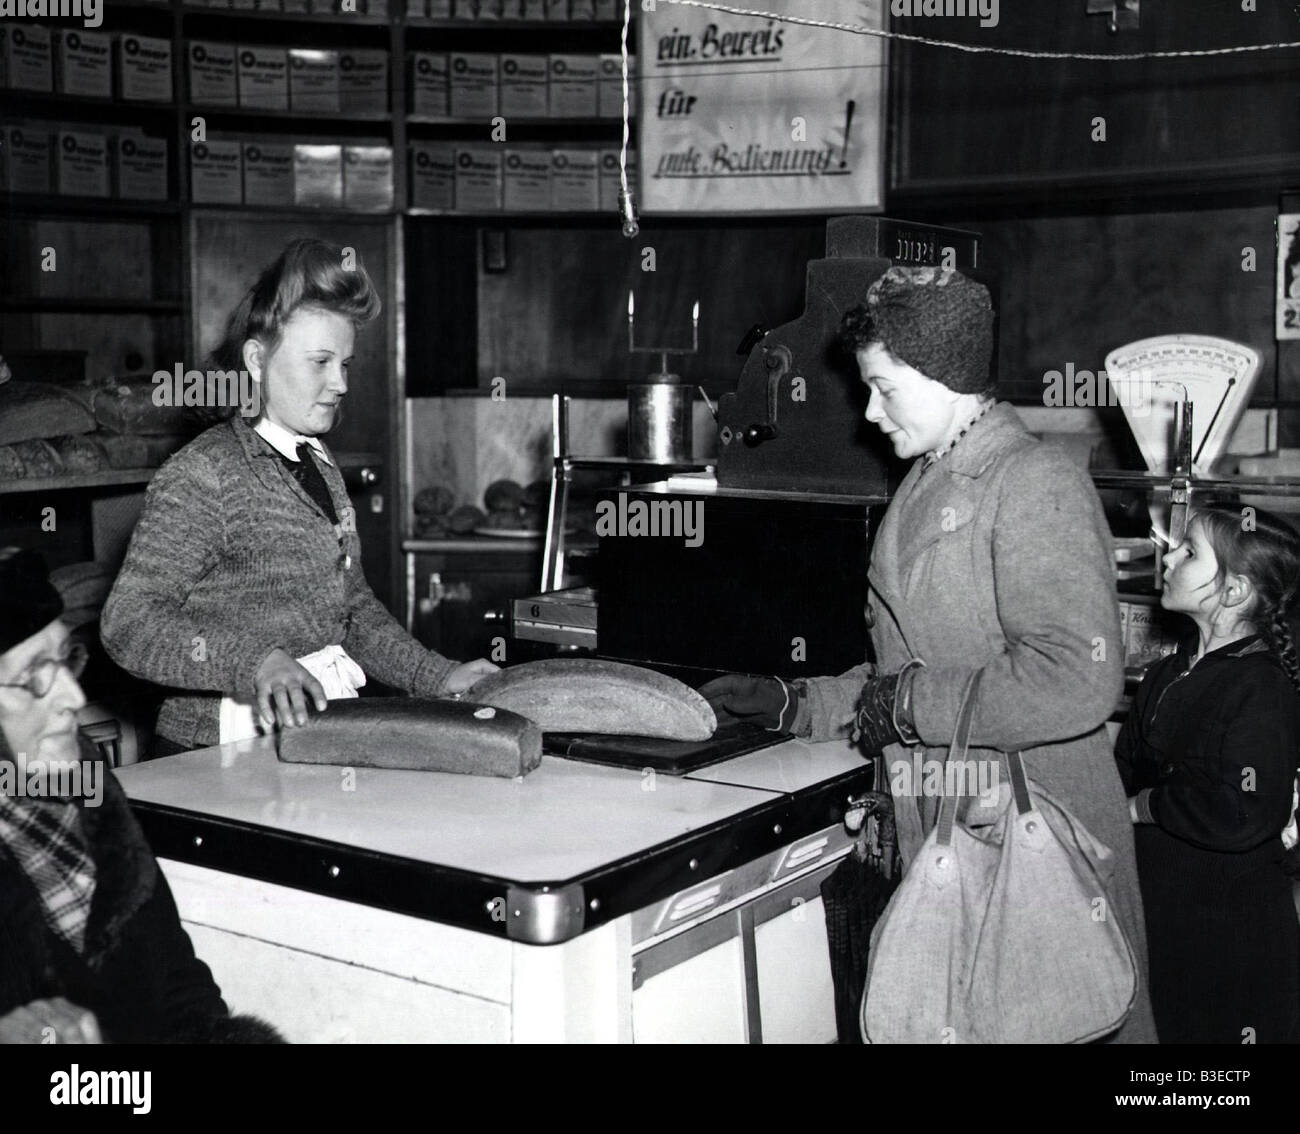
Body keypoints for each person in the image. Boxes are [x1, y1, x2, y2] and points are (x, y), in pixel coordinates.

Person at [702, 265, 1157, 1043]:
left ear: (946, 375)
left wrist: (908, 704)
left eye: (885, 387)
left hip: (1037, 850)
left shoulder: (1033, 481)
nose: (869, 413)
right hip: (952, 832)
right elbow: (903, 669)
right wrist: (802, 702)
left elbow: (1076, 675)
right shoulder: (923, 480)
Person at [101, 239, 496, 754]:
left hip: (312, 731)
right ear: (257, 360)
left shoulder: (318, 461)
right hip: (218, 752)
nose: (340, 383)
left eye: (346, 364)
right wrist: (256, 662)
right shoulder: (206, 474)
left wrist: (439, 676)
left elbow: (351, 613)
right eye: (320, 362)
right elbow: (128, 624)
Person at [0, 548, 282, 1043]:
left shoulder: (85, 789)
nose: (73, 697)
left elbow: (177, 986)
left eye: (66, 659)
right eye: (33, 678)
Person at [1115, 503, 1300, 1043]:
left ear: (1234, 592)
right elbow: (1124, 770)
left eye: (1191, 551)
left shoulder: (1260, 688)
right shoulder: (1166, 672)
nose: (1170, 556)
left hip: (1228, 939)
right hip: (1161, 921)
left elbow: (1244, 811)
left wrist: (1143, 806)